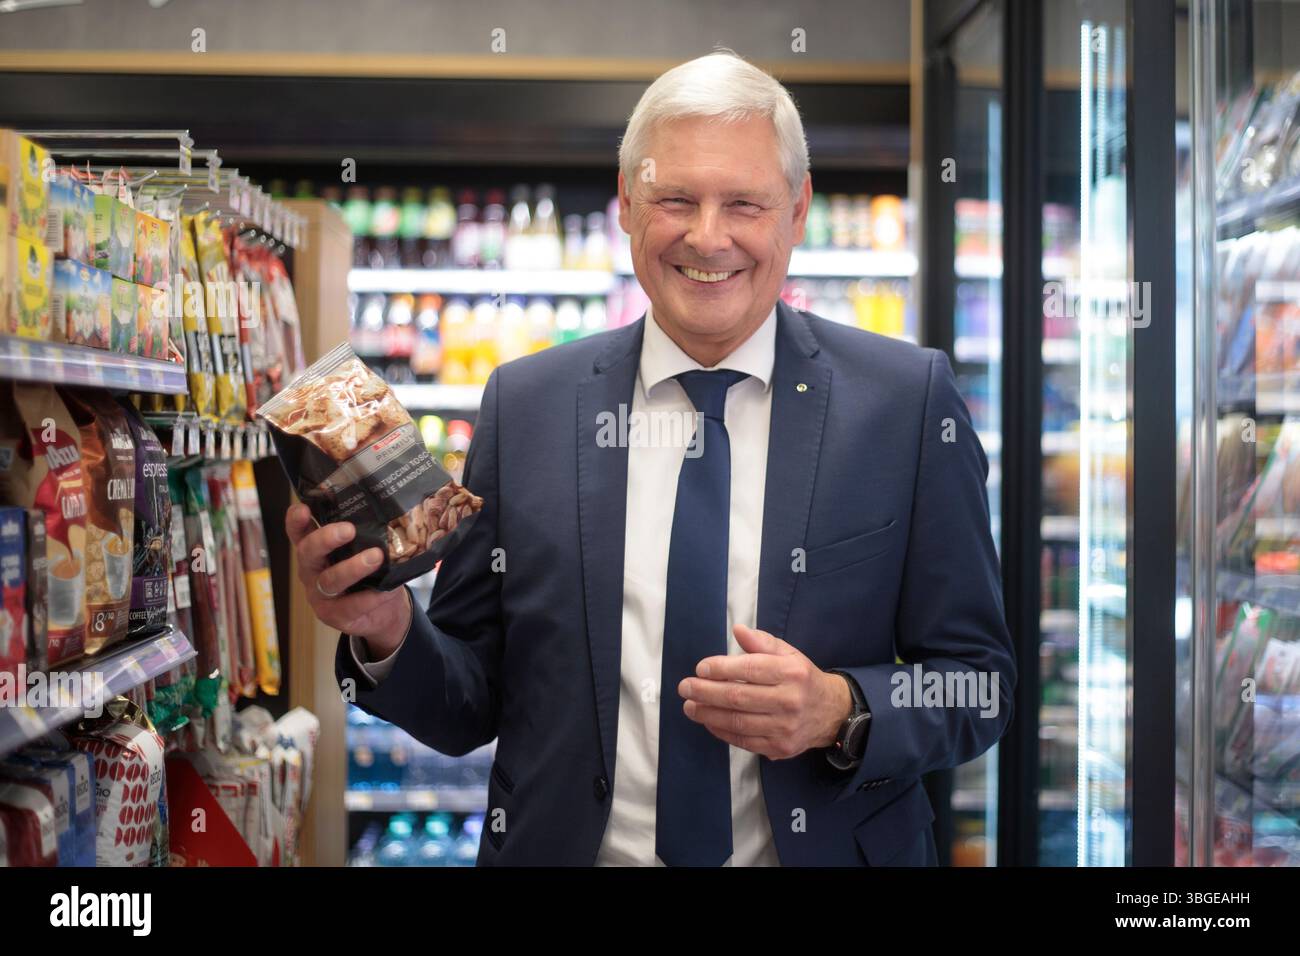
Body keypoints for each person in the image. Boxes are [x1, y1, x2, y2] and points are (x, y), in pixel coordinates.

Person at [288, 49, 1015, 866]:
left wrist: (842, 709)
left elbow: (979, 685)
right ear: (628, 205)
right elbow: (469, 702)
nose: (709, 237)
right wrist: (386, 628)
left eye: (744, 202)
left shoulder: (905, 402)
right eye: (676, 199)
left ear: (797, 211)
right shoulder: (527, 404)